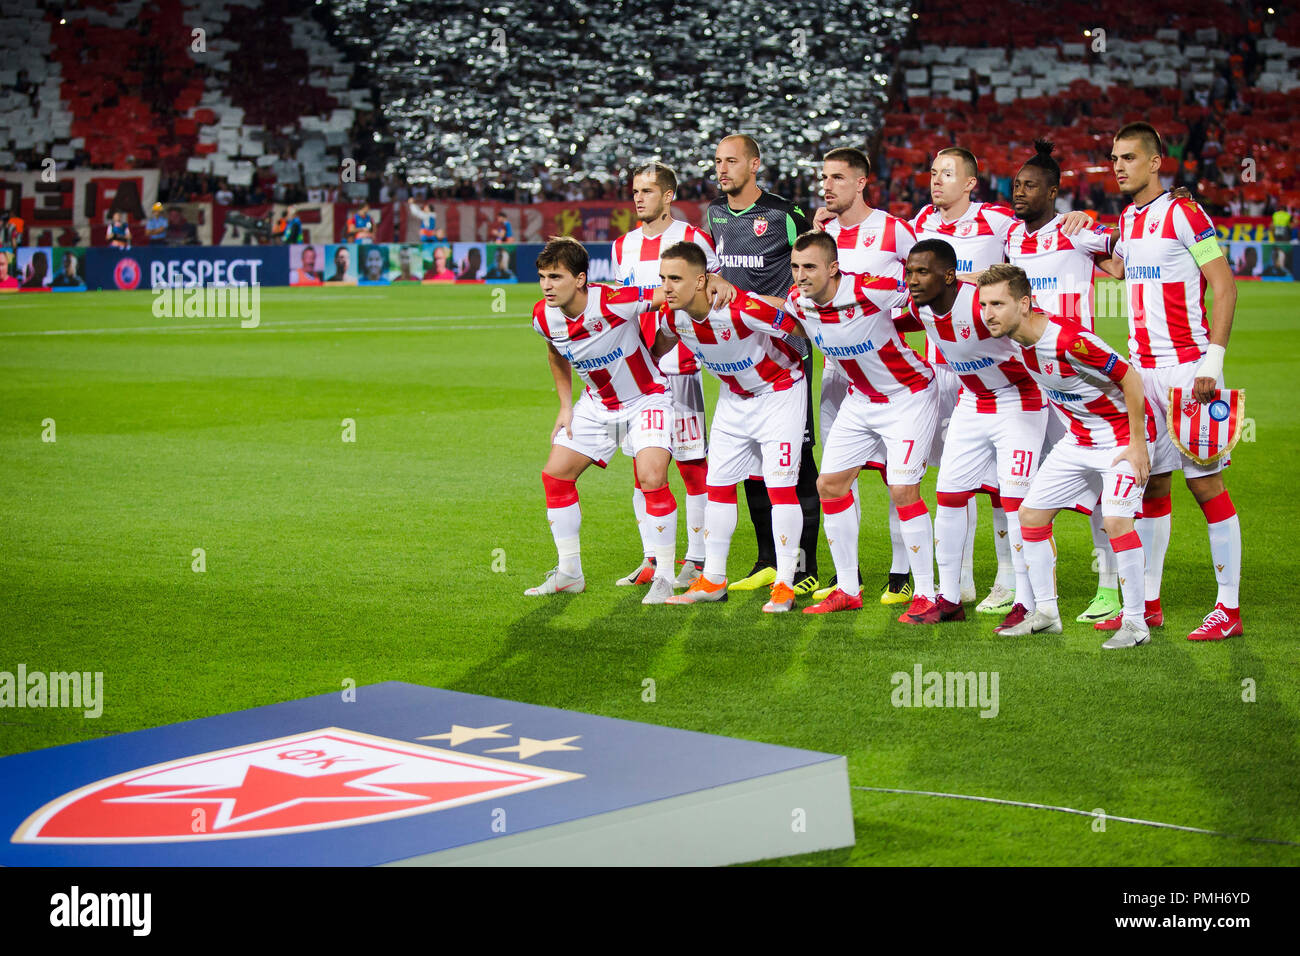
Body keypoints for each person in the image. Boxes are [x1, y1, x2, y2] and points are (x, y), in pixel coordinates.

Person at [1103, 122, 1243, 641]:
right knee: (1152, 485)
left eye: (1129, 157)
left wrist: (1214, 361)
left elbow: (1223, 287)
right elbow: (1121, 269)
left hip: (1189, 368)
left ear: (1156, 162)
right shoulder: (1128, 218)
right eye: (1114, 157)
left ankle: (1228, 608)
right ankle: (1151, 604)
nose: (1118, 165)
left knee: (1205, 484)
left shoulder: (1185, 213)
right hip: (1143, 372)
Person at [762, 231, 938, 616]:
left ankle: (927, 591)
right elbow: (778, 310)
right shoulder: (799, 301)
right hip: (860, 399)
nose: (800, 275)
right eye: (794, 267)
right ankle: (847, 588)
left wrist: (975, 280)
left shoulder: (868, 289)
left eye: (809, 267)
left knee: (903, 489)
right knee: (830, 484)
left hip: (908, 394)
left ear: (833, 268)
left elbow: (923, 289)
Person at [978, 264, 1154, 649]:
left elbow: (1130, 377)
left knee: (1117, 522)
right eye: (984, 304)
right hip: (1079, 440)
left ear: (1024, 304)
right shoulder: (1015, 339)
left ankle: (1137, 623)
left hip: (1121, 438)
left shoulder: (1069, 340)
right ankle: (1046, 614)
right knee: (1030, 516)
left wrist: (1138, 444)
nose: (987, 313)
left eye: (997, 304)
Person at [1006, 139, 1128, 625]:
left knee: (1101, 491)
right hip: (1032, 377)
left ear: (1053, 192)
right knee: (1020, 488)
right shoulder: (1012, 240)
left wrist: (1103, 225)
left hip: (1080, 377)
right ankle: (1024, 591)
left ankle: (1109, 589)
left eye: (1030, 186)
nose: (1019, 192)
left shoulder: (1076, 231)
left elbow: (1127, 253)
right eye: (1016, 184)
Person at [525, 236, 680, 605]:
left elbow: (669, 292)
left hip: (647, 399)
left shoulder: (615, 300)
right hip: (597, 406)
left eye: (556, 277)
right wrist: (565, 407)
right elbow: (555, 352)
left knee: (652, 477)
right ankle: (569, 574)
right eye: (543, 277)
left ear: (580, 279)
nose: (547, 285)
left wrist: (708, 284)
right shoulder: (542, 316)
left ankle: (665, 576)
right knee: (556, 475)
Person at [655, 241, 808, 614]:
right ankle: (713, 579)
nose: (667, 287)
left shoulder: (740, 309)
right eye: (663, 279)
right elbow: (658, 348)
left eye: (675, 278)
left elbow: (800, 331)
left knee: (780, 487)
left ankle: (786, 582)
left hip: (779, 394)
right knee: (718, 485)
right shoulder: (673, 317)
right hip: (733, 399)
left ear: (702, 280)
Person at [901, 239, 1047, 625]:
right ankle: (949, 599)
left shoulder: (981, 304)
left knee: (1017, 505)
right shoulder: (922, 307)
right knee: (949, 495)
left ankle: (1028, 603)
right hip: (973, 401)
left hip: (1020, 400)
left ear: (949, 275)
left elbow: (1038, 326)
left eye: (922, 272)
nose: (913, 281)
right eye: (910, 272)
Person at [705, 133, 821, 597]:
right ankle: (767, 560)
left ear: (754, 165)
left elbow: (810, 269)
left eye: (731, 161)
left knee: (797, 458)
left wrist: (775, 304)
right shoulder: (714, 213)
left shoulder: (784, 214)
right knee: (752, 460)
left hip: (785, 350)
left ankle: (806, 564)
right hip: (738, 354)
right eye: (717, 161)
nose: (721, 169)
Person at [812, 146, 918, 606]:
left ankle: (902, 572)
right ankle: (846, 577)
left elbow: (923, 285)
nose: (827, 186)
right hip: (837, 371)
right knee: (837, 475)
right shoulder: (824, 235)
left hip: (889, 369)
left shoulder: (894, 230)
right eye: (823, 178)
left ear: (861, 183)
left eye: (836, 178)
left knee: (898, 476)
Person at [610, 161, 718, 590]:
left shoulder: (693, 240)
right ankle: (653, 557)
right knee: (644, 469)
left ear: (669, 196)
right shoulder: (622, 246)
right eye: (635, 191)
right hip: (635, 377)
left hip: (679, 368)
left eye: (648, 191)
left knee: (692, 465)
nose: (638, 198)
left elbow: (710, 297)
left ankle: (697, 557)